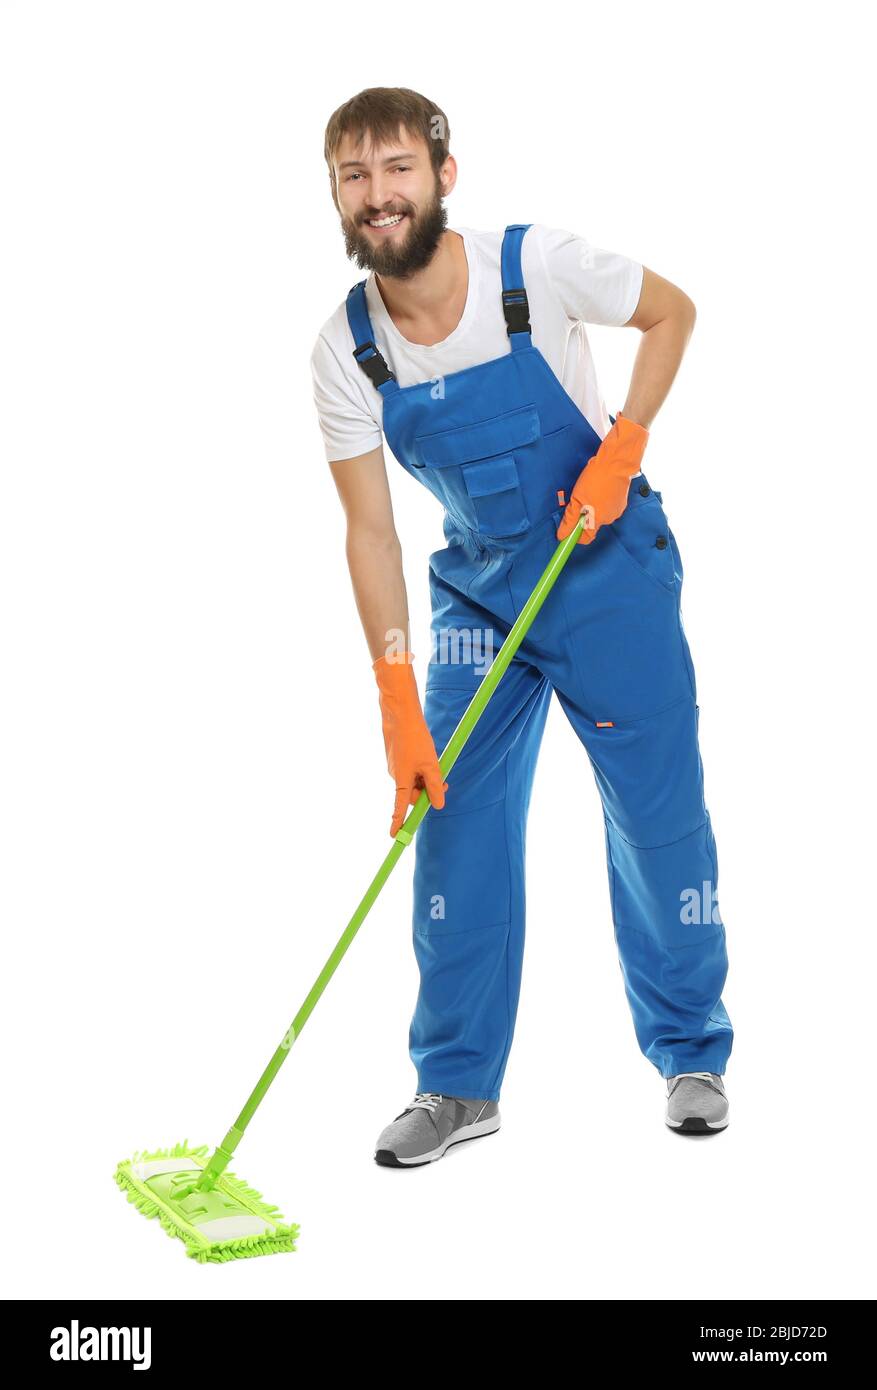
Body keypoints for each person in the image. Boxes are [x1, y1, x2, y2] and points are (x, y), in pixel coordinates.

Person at [310, 87, 733, 1166]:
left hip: (606, 577)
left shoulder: (532, 265)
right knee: (449, 822)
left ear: (443, 175)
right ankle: (454, 1085)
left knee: (658, 819)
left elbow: (671, 310)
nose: (378, 195)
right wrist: (398, 704)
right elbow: (370, 536)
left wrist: (623, 442)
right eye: (355, 176)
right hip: (479, 599)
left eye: (396, 168)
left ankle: (690, 1052)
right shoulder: (346, 348)